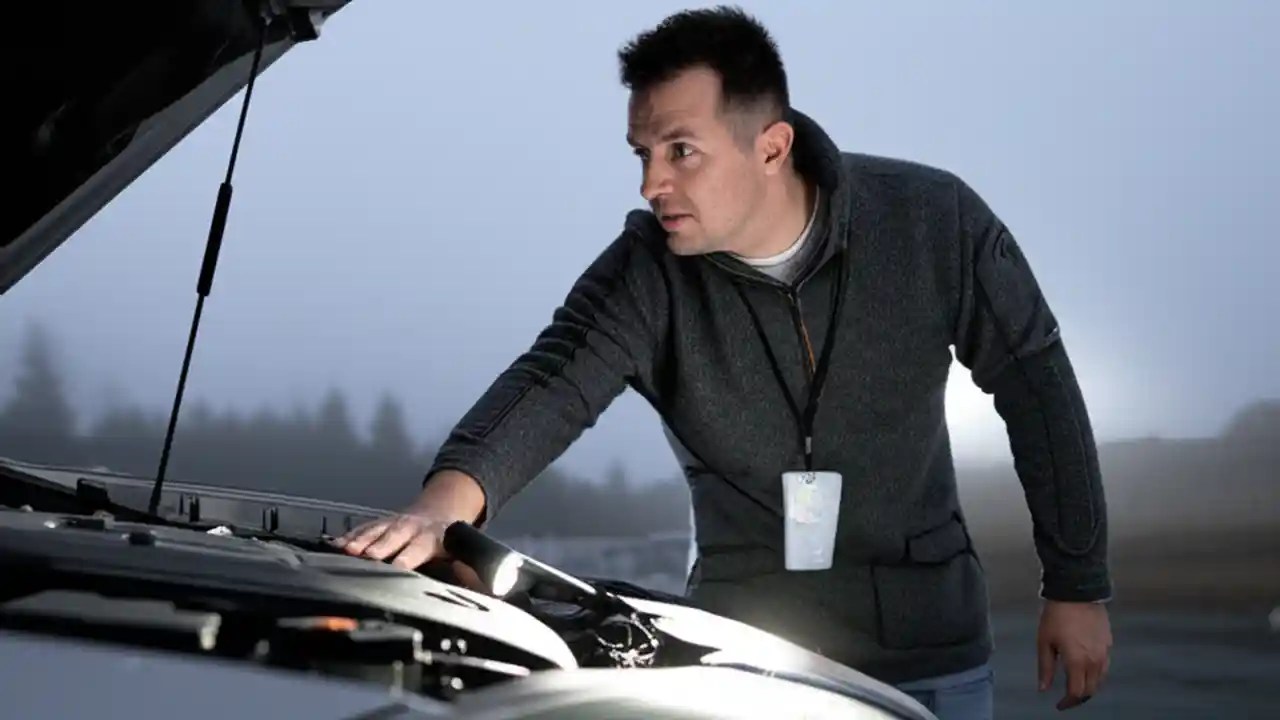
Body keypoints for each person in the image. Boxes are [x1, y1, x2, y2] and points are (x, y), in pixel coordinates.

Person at [336, 6, 1113, 718]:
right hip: (738, 664)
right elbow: (552, 381)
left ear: (771, 147)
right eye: (642, 152)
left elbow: (1038, 386)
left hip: (929, 662)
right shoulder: (647, 269)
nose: (651, 183)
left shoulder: (935, 222)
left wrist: (1077, 587)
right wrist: (445, 505)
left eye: (681, 151)